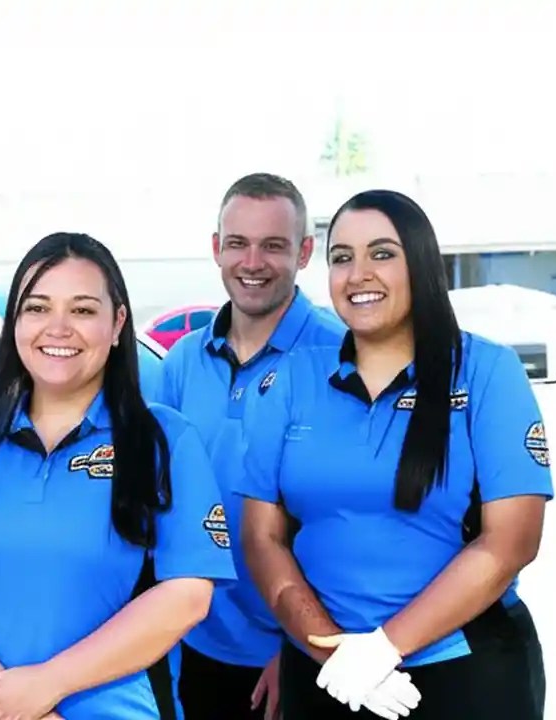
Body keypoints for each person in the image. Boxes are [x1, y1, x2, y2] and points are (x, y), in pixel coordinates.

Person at [237, 189, 552, 720]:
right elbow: (261, 537)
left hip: (466, 670)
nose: (359, 273)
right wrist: (332, 651)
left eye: (382, 253)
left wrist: (383, 648)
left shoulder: (486, 372)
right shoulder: (292, 379)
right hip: (327, 676)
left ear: (421, 263)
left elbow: (512, 541)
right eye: (342, 257)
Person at [0, 232, 238, 719]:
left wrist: (48, 686)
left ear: (119, 322)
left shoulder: (162, 440)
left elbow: (186, 595)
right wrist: (5, 706)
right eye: (37, 308)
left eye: (82, 310)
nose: (58, 328)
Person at [153, 173, 344, 720]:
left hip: (300, 654)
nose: (252, 262)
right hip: (194, 644)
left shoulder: (339, 356)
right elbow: (166, 505)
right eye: (238, 243)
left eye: (274, 246)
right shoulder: (183, 362)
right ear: (216, 248)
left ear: (305, 252)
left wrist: (303, 646)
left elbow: (350, 522)